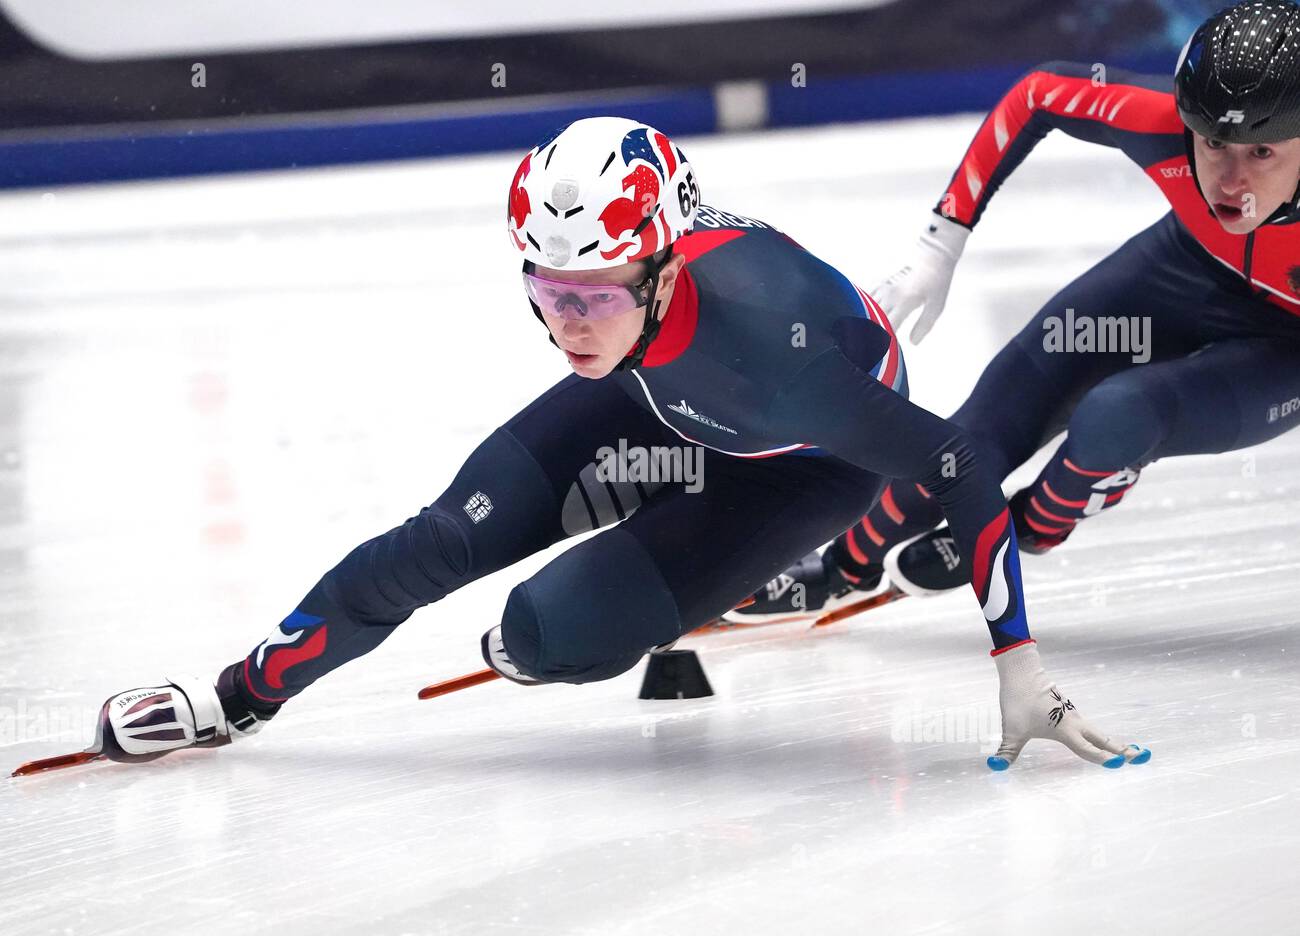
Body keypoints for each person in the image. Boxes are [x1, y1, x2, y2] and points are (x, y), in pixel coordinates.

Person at [88, 116, 1148, 773]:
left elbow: (956, 463)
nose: (568, 325)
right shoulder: (624, 309)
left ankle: (714, 567)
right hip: (664, 393)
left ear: (664, 269)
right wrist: (232, 698)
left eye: (592, 296)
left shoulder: (779, 358)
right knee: (437, 543)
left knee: (539, 636)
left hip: (795, 456)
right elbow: (603, 325)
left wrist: (1018, 660)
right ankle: (235, 699)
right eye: (546, 294)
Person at [735, 0, 1300, 619]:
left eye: (1263, 153)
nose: (1229, 179)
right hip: (1184, 269)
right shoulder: (1161, 125)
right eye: (1215, 142)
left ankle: (1026, 526)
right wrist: (940, 243)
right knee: (966, 443)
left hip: (1284, 346)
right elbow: (1039, 92)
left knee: (1120, 416)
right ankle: (843, 564)